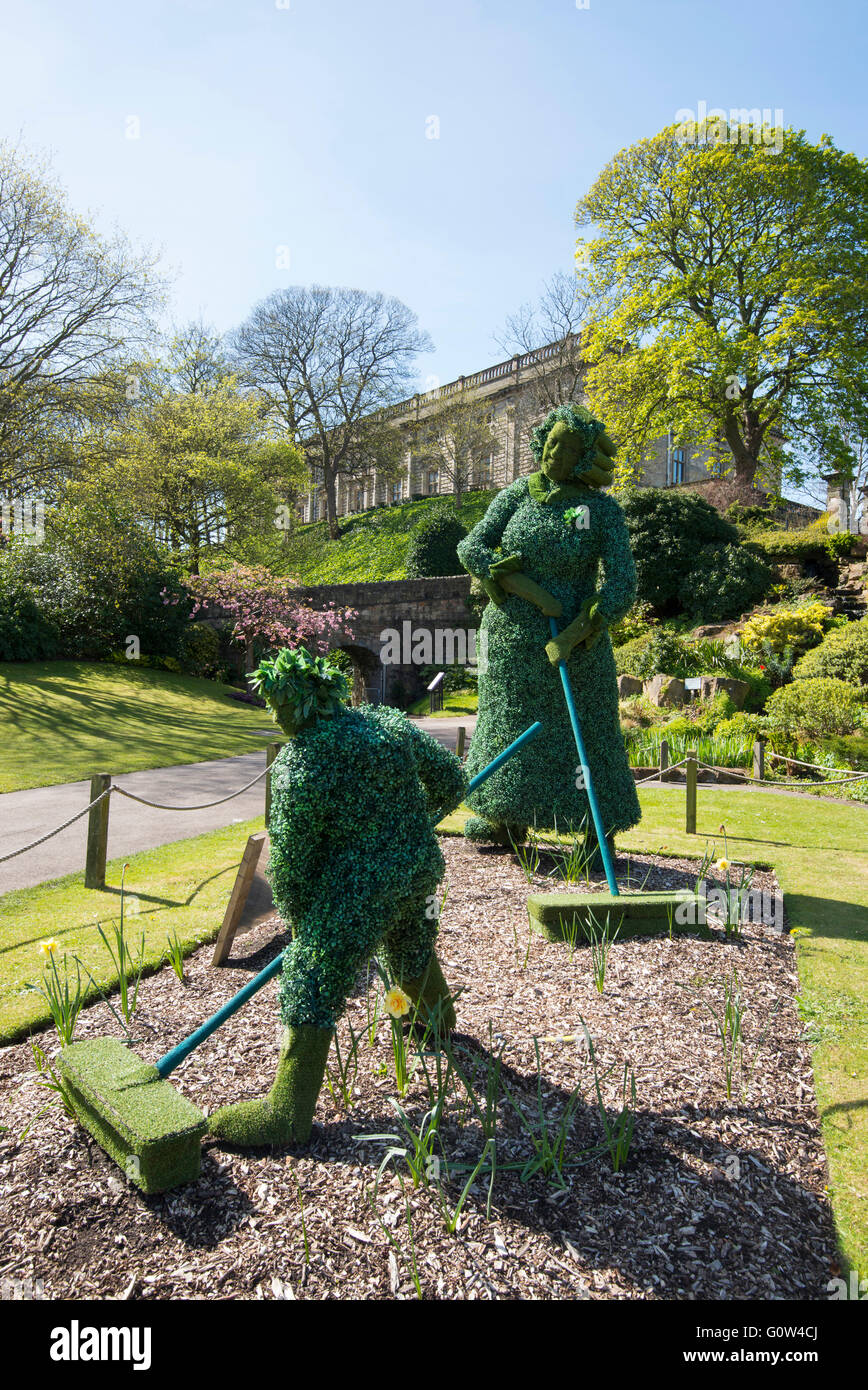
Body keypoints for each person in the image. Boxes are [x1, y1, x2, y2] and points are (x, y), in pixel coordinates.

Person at [208, 647, 466, 1147]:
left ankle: (287, 1114)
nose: (278, 718)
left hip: (361, 885)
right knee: (407, 937)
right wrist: (411, 825)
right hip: (416, 867)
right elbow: (451, 780)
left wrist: (303, 921)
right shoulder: (385, 725)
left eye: (282, 707)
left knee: (311, 973)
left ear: (302, 704)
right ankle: (436, 1021)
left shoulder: (302, 761)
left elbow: (294, 857)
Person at [456, 403, 640, 856]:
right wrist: (510, 580)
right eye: (551, 442)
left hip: (575, 648)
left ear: (583, 458)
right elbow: (471, 545)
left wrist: (575, 632)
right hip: (510, 640)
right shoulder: (518, 494)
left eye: (567, 448)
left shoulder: (600, 510)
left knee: (586, 731)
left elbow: (622, 584)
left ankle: (597, 833)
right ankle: (505, 817)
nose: (553, 453)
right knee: (507, 723)